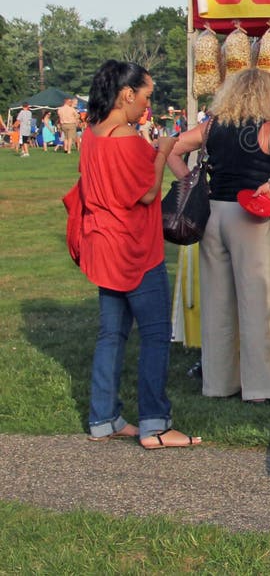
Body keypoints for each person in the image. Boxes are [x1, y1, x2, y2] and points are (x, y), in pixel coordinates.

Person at [79, 59, 201, 448]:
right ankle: (155, 423)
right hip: (135, 248)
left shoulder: (91, 134)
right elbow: (147, 192)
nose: (147, 105)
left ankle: (104, 418)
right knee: (154, 334)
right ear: (127, 93)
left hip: (102, 245)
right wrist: (162, 152)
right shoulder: (128, 139)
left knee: (110, 334)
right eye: (145, 96)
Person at [167, 68, 270, 403]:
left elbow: (172, 147)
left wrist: (190, 181)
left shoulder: (211, 125)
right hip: (250, 215)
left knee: (217, 302)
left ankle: (218, 382)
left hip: (213, 212)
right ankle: (263, 387)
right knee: (257, 302)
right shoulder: (269, 129)